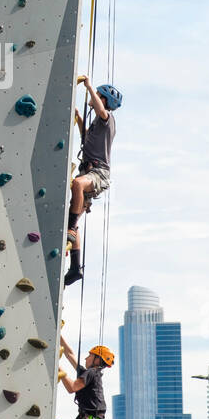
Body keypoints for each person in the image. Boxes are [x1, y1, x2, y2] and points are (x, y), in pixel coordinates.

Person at [65, 78, 121, 287]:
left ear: (104, 100)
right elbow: (85, 137)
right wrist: (79, 118)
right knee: (74, 210)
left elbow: (100, 109)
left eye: (98, 95)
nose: (93, 98)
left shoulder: (107, 119)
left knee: (77, 185)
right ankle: (75, 267)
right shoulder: (97, 125)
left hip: (98, 172)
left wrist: (89, 86)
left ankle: (70, 229)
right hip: (89, 169)